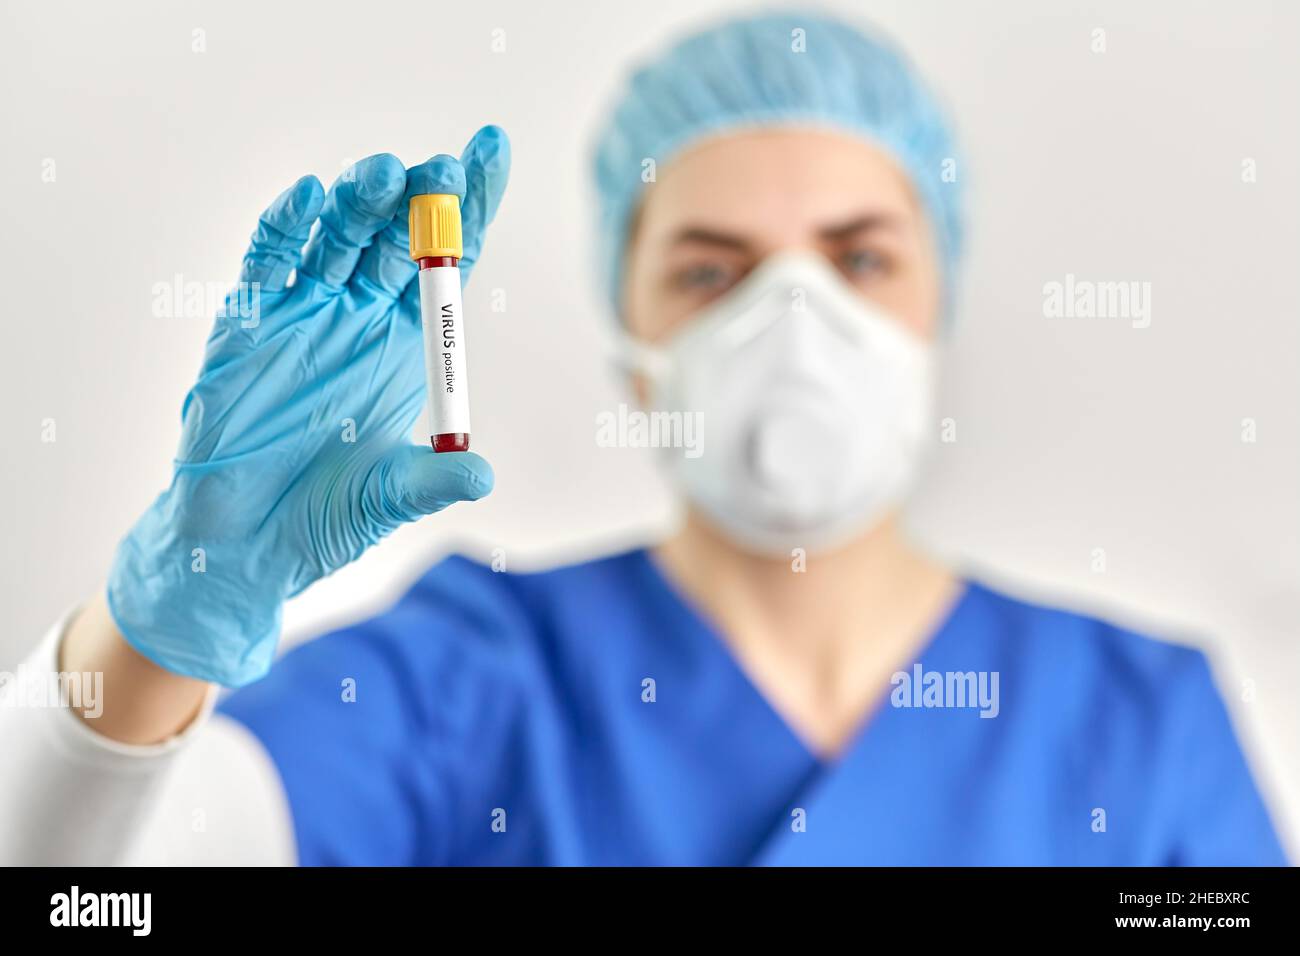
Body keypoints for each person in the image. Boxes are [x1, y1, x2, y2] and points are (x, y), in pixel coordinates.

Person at [0, 11, 1286, 866]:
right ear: (634, 347)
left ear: (934, 302)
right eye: (713, 272)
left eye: (859, 259)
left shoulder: (1139, 723)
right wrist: (157, 631)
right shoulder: (472, 683)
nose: (797, 324)